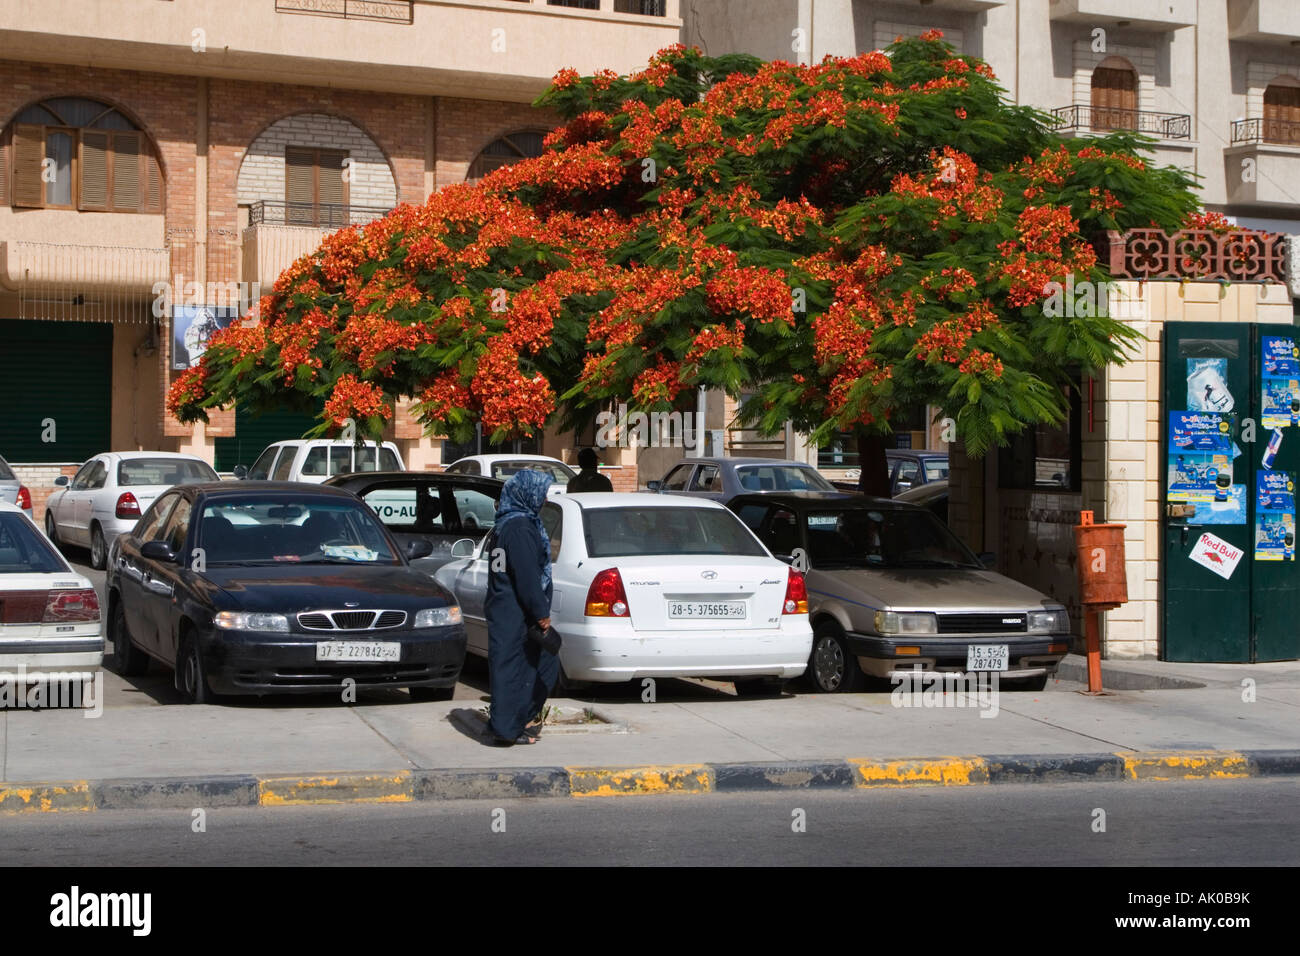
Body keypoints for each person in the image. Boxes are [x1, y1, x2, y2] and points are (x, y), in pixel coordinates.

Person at [485, 469, 560, 746]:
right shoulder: (519, 528)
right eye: (541, 494)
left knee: (536, 665)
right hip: (516, 612)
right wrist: (541, 614)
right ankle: (507, 729)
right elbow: (527, 576)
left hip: (508, 608)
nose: (543, 499)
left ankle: (518, 722)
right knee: (520, 668)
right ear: (527, 494)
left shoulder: (508, 522)